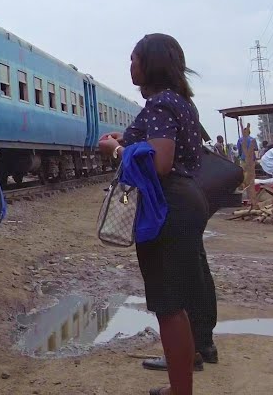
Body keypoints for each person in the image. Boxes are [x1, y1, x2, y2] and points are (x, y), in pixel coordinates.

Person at [98, 33, 216, 395]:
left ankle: (180, 391)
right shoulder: (178, 102)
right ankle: (179, 385)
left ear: (150, 64)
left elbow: (161, 162)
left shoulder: (161, 104)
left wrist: (117, 150)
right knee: (175, 302)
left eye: (133, 59)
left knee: (168, 305)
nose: (129, 66)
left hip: (168, 206)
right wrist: (131, 140)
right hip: (184, 201)